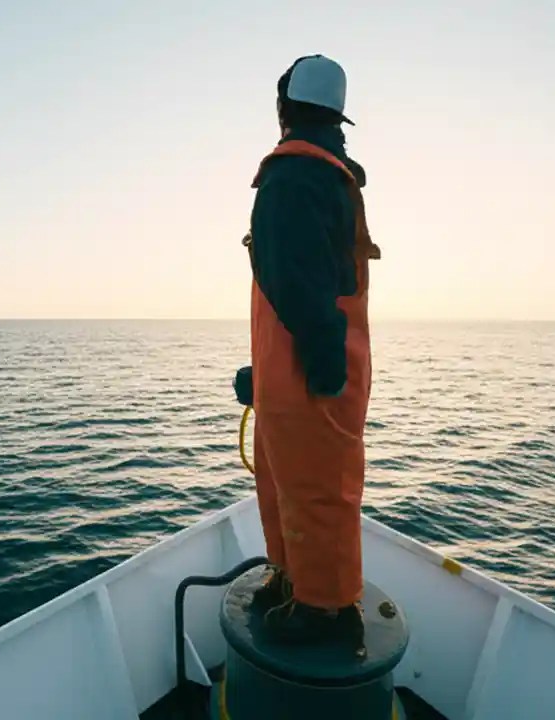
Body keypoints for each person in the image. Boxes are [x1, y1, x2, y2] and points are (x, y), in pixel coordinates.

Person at [241, 54, 379, 650]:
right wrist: (264, 375)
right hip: (298, 358)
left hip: (314, 361)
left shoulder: (295, 177)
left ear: (283, 108)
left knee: (318, 485)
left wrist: (320, 365)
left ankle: (326, 611)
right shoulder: (326, 173)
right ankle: (292, 576)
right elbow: (300, 278)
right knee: (280, 477)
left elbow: (296, 285)